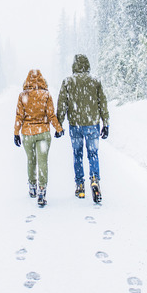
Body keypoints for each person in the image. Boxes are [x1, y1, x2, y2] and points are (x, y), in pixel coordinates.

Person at [56, 54, 109, 203]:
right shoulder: (95, 81)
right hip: (92, 124)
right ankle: (94, 179)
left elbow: (62, 104)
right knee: (93, 153)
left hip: (75, 124)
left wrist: (59, 124)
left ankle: (80, 185)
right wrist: (106, 123)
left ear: (74, 65)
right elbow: (102, 102)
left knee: (77, 154)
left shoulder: (68, 82)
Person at [14, 69, 64, 206]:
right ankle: (42, 189)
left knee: (31, 160)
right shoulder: (46, 95)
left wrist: (16, 133)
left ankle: (32, 187)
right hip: (43, 132)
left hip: (27, 133)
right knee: (43, 162)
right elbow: (51, 115)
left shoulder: (23, 95)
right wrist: (59, 129)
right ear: (42, 80)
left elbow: (19, 116)